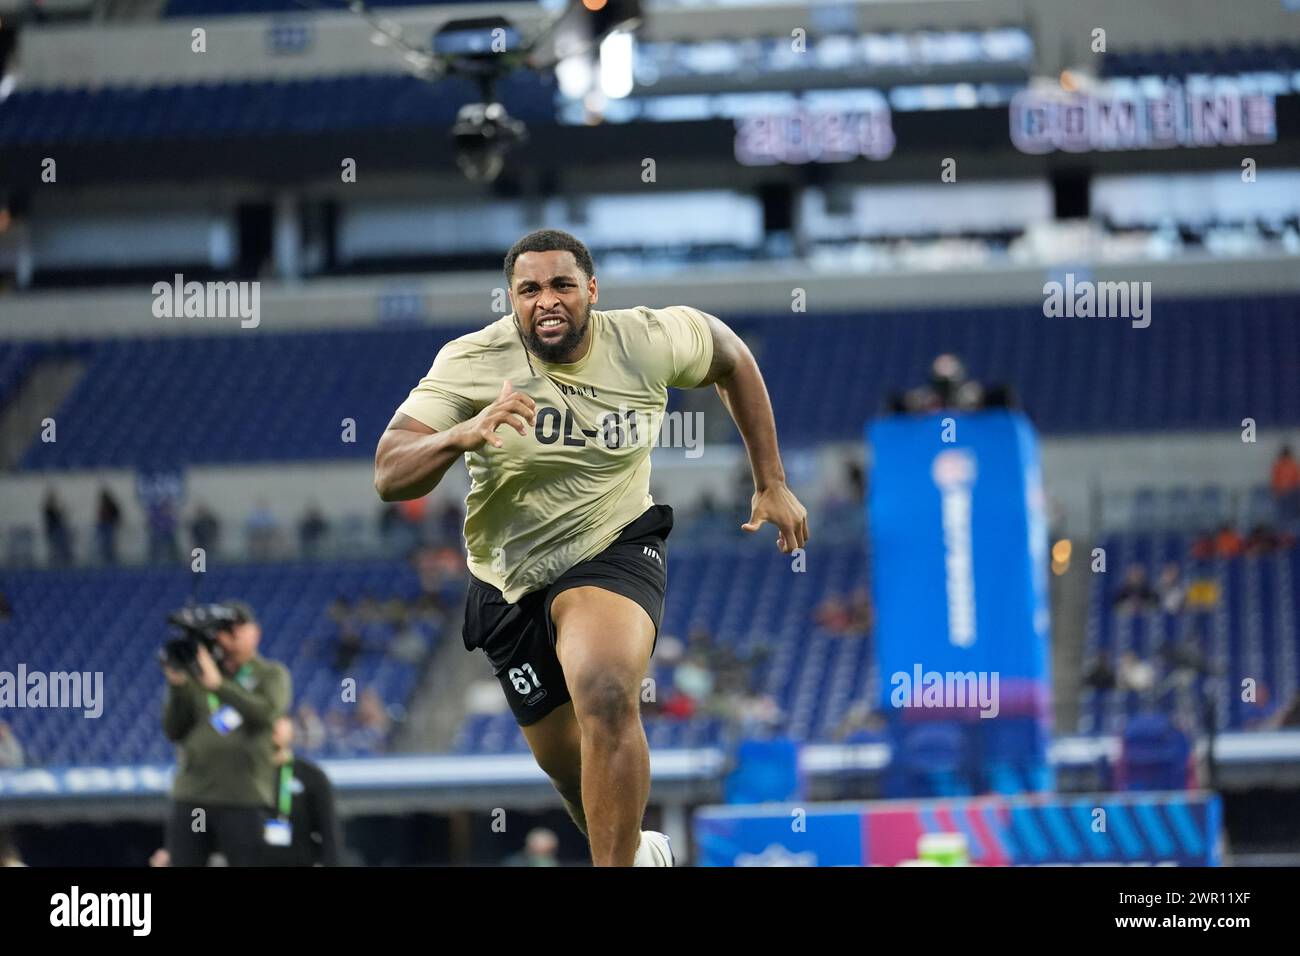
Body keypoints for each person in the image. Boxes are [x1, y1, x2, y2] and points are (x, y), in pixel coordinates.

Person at [373, 229, 808, 866]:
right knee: (567, 766)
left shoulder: (648, 338)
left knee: (604, 692)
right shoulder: (471, 360)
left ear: (591, 291)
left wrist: (771, 481)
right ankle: (637, 853)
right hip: (505, 579)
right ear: (510, 299)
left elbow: (733, 357)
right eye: (529, 289)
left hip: (613, 546)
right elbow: (389, 472)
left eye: (561, 285)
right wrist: (460, 434)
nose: (546, 300)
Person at [161, 600, 291, 866]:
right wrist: (178, 686)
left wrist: (220, 686)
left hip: (243, 795)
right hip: (192, 795)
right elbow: (173, 729)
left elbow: (265, 713)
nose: (227, 636)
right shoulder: (197, 676)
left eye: (235, 628)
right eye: (222, 630)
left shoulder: (269, 674)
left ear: (255, 632)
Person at [260, 716, 343, 866]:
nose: (273, 727)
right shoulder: (244, 778)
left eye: (280, 718)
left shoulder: (312, 776)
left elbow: (329, 833)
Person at [1271, 445, 1300, 524]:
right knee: (1283, 514)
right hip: (1282, 496)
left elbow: (1297, 481)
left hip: (1292, 495)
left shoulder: (1293, 465)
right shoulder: (1278, 466)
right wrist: (1277, 493)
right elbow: (1275, 482)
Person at [95, 486, 122, 565]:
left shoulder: (111, 504)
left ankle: (110, 559)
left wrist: (113, 522)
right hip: (103, 526)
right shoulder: (103, 505)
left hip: (109, 526)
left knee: (109, 544)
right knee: (104, 544)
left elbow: (117, 514)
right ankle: (106, 558)